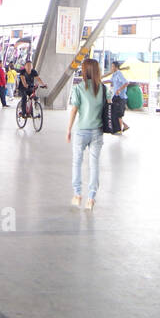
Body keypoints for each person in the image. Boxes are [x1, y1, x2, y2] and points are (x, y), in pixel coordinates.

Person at [66, 58, 107, 209]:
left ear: (84, 71)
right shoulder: (102, 88)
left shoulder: (79, 88)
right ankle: (91, 198)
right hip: (98, 131)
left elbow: (74, 110)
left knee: (77, 162)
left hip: (81, 131)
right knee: (94, 164)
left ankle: (77, 195)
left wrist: (69, 129)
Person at [101, 59, 130, 133]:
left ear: (115, 67)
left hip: (120, 97)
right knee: (114, 112)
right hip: (116, 96)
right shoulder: (114, 74)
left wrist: (119, 90)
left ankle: (119, 129)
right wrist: (102, 82)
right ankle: (124, 126)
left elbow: (126, 83)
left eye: (112, 66)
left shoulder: (119, 73)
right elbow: (111, 81)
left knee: (118, 114)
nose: (111, 68)